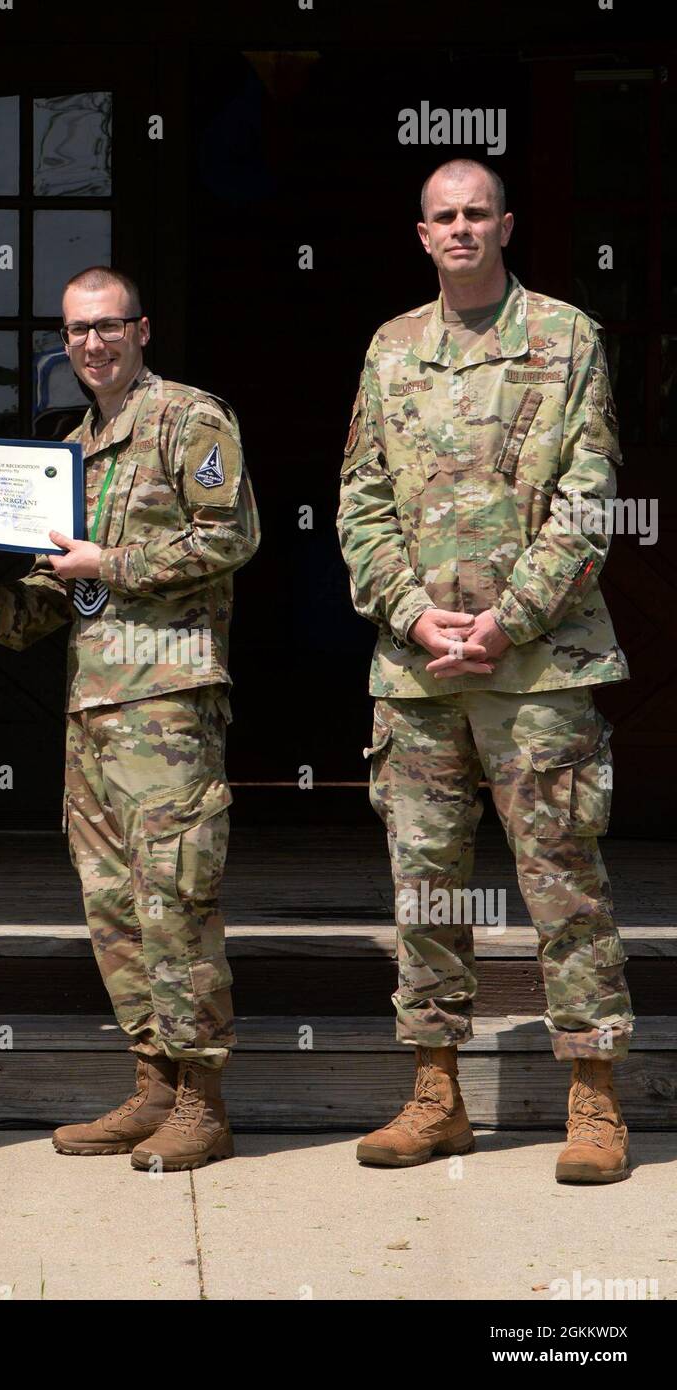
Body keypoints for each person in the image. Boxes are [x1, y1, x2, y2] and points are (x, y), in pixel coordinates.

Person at [0, 266, 260, 1170]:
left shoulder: (190, 419)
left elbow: (231, 537)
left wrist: (113, 558)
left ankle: (203, 1101)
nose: (92, 344)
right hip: (92, 711)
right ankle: (152, 1086)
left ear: (143, 329)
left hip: (167, 704)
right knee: (112, 908)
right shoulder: (73, 450)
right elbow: (66, 596)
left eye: (108, 326)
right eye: (76, 332)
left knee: (176, 901)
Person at [336, 160, 634, 1183]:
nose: (459, 229)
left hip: (537, 672)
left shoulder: (565, 338)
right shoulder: (389, 349)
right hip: (417, 679)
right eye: (441, 217)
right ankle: (434, 1095)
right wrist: (415, 614)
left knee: (562, 888)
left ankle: (592, 1103)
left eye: (475, 214)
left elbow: (588, 497)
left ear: (505, 224)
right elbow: (358, 503)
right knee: (426, 891)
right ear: (419, 235)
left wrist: (508, 622)